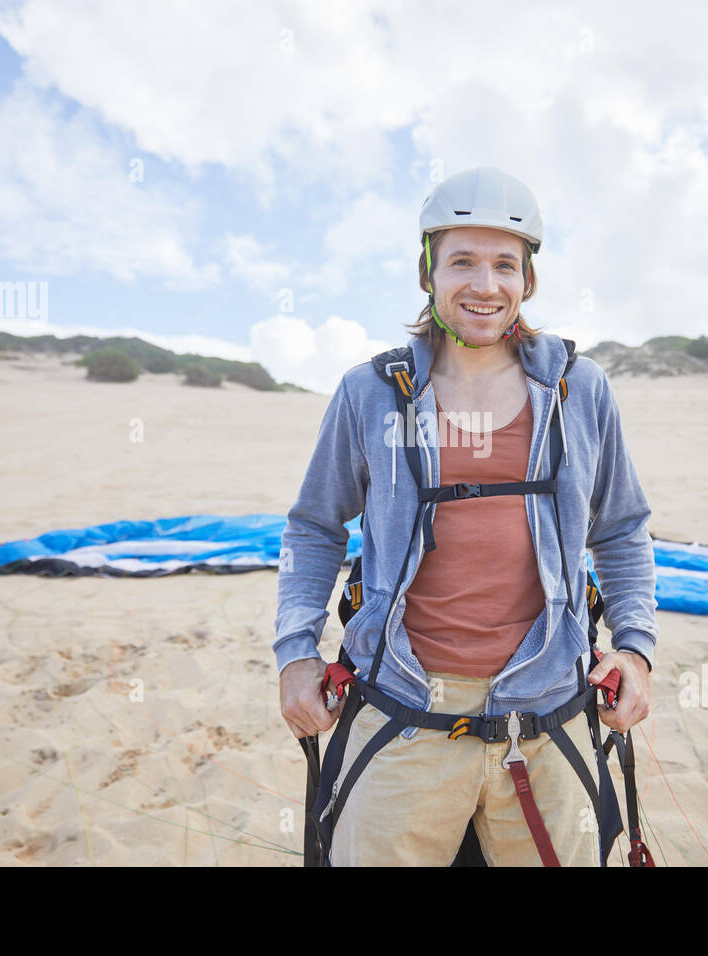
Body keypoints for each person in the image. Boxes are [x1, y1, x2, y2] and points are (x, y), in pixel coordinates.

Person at [274, 166, 658, 866]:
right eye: (463, 262)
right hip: (404, 713)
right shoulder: (371, 392)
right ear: (429, 271)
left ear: (528, 279)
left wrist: (634, 647)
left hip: (547, 715)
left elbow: (622, 527)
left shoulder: (581, 390)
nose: (485, 285)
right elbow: (314, 527)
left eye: (505, 265)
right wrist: (296, 654)